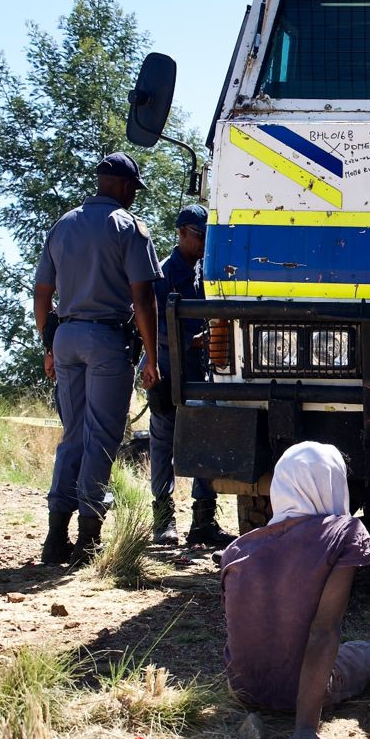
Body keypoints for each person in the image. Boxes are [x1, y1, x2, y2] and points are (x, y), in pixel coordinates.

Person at [219, 442, 370, 739]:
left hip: (244, 688)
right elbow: (323, 631)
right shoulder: (343, 534)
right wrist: (306, 726)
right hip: (307, 693)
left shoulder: (237, 549)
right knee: (368, 654)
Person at [33, 152, 162, 567]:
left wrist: (49, 346)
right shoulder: (129, 228)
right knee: (101, 437)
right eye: (133, 191)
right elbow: (143, 297)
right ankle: (88, 539)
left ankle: (55, 538)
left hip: (66, 336)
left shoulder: (64, 224)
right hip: (108, 339)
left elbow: (41, 293)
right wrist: (152, 357)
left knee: (72, 434)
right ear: (124, 187)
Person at [146, 203, 231, 546]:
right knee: (163, 443)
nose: (204, 243)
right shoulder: (163, 274)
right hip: (168, 368)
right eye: (200, 236)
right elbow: (151, 327)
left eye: (209, 237)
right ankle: (164, 522)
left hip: (200, 369)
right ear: (180, 232)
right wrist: (190, 340)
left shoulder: (204, 272)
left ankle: (203, 520)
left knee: (205, 442)